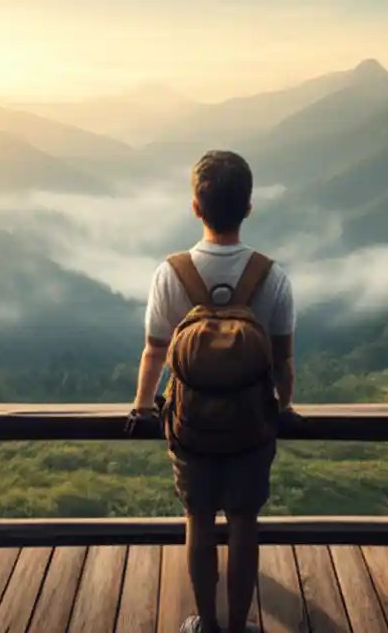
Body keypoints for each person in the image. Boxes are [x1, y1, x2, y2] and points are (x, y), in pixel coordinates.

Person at [129, 150, 295, 633]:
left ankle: (205, 622)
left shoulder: (171, 273)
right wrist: (283, 408)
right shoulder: (272, 276)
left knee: (199, 523)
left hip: (190, 425)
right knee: (244, 525)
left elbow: (154, 353)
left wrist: (142, 406)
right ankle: (241, 625)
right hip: (251, 427)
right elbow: (283, 363)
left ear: (196, 208)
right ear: (248, 207)